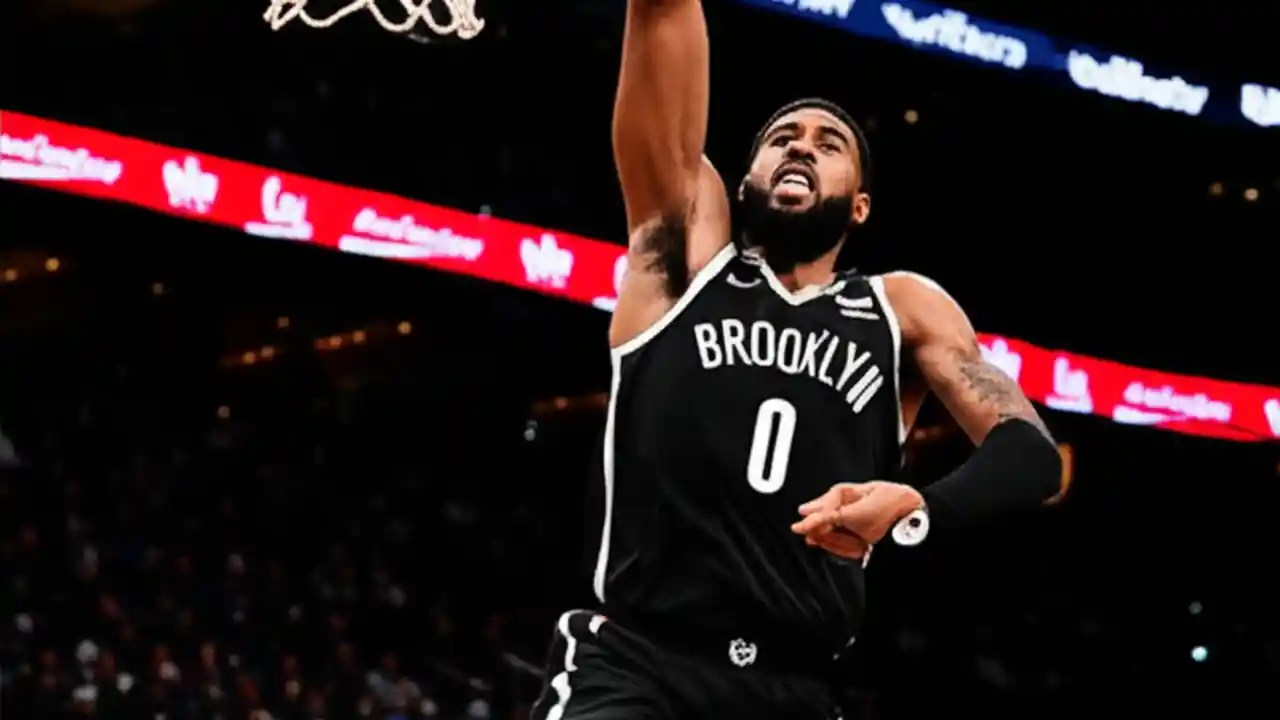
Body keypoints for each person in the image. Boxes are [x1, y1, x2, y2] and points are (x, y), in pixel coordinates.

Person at [531, 0, 1063, 717]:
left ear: (861, 207)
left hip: (796, 686)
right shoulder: (684, 255)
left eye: (829, 143)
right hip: (638, 664)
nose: (801, 147)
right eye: (782, 137)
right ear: (745, 180)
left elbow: (1030, 455)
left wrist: (920, 507)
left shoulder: (900, 309)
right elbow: (662, 19)